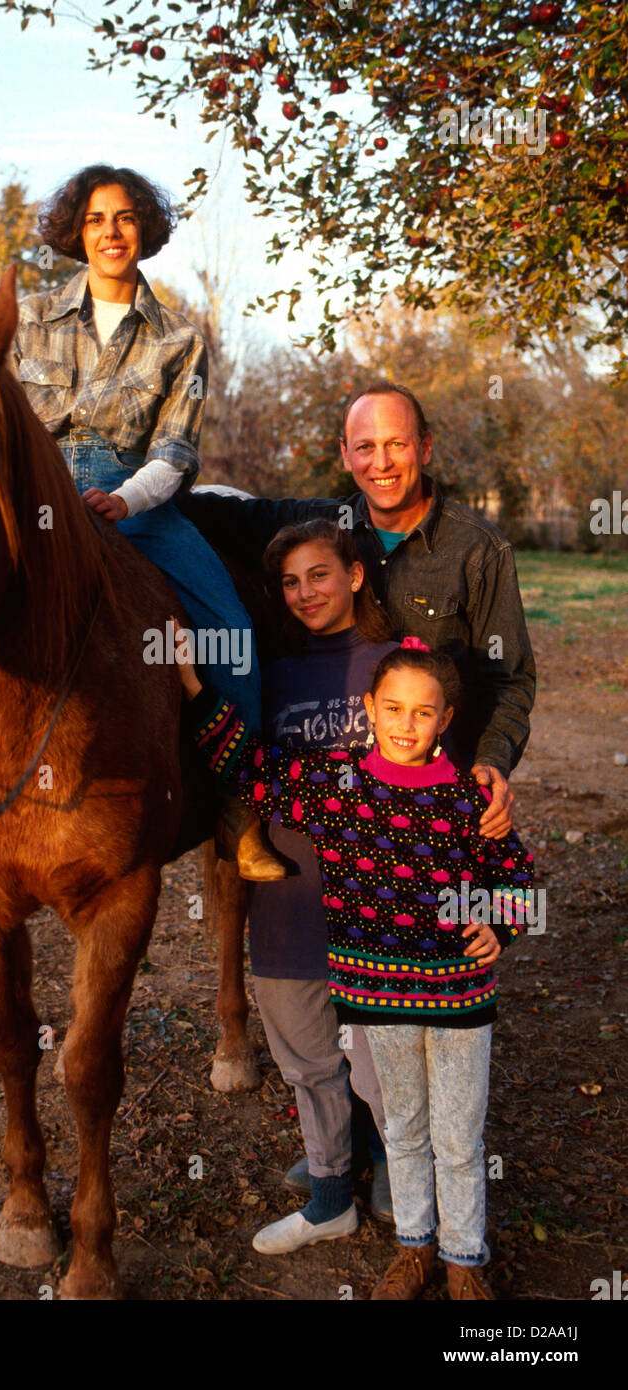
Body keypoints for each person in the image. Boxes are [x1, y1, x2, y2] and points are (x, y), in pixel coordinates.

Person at [0, 164, 283, 881]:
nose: (110, 232)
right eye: (94, 220)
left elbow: (175, 447)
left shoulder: (180, 337)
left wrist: (128, 500)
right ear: (76, 234)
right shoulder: (31, 317)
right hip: (33, 494)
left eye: (124, 217)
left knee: (230, 629)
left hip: (137, 501)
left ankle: (239, 805)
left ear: (145, 227)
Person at [178, 640, 534, 1300]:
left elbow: (516, 878)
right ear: (368, 707)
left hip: (458, 999)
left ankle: (464, 1259)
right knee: (401, 1130)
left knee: (457, 1137)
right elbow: (249, 769)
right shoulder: (337, 785)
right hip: (376, 996)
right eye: (392, 708)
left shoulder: (468, 797)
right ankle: (413, 1250)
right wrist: (196, 690)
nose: (405, 724)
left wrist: (501, 922)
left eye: (422, 713)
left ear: (445, 719)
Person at [176, 381, 536, 834]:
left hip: (431, 806)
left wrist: (491, 763)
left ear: (424, 448)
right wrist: (127, 493)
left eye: (396, 445)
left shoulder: (479, 550)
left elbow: (510, 678)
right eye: (365, 447)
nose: (380, 463)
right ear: (346, 455)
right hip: (328, 812)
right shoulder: (321, 530)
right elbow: (223, 514)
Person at [244, 518, 398, 1252]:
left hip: (376, 898)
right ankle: (331, 1196)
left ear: (355, 576)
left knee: (380, 1058)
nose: (304, 593)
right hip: (289, 894)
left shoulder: (398, 664)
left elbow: (428, 783)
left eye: (319, 575)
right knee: (307, 1056)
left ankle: (395, 1166)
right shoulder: (270, 674)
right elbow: (244, 771)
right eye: (290, 582)